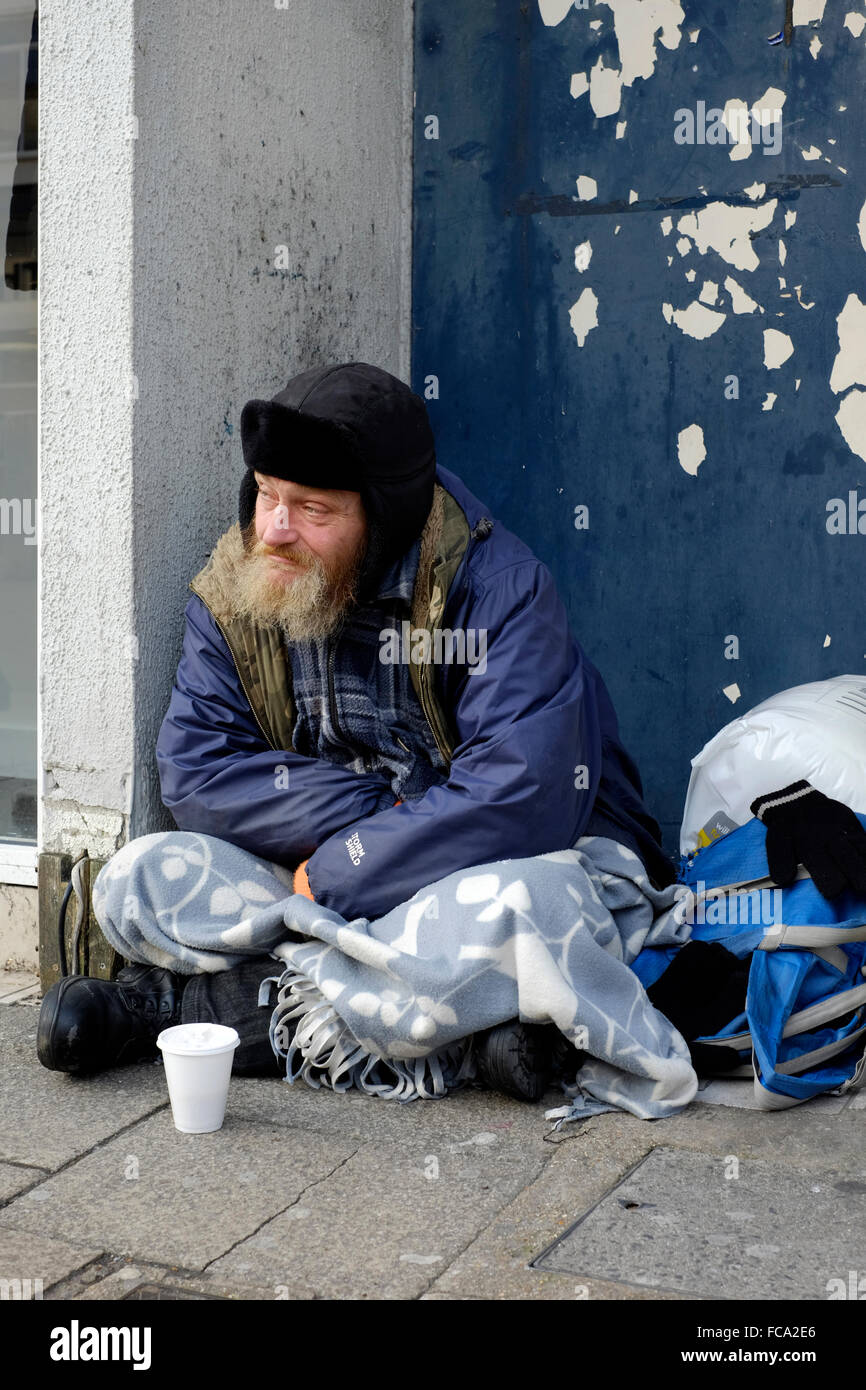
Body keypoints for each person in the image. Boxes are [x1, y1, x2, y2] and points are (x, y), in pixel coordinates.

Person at [37, 361, 677, 1101]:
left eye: (311, 508)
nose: (275, 530)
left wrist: (354, 867)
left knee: (529, 907)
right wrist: (375, 831)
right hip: (340, 863)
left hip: (490, 865)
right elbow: (198, 767)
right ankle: (468, 1030)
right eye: (267, 497)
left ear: (384, 518)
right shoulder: (239, 583)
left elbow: (523, 798)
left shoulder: (499, 591)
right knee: (137, 878)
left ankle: (180, 1009)